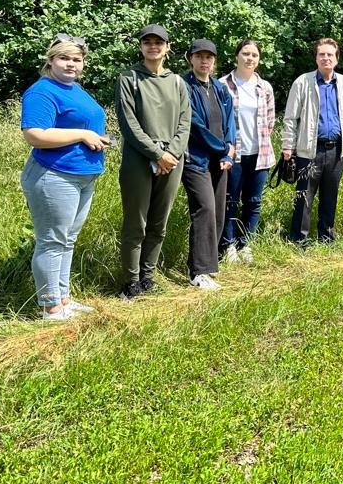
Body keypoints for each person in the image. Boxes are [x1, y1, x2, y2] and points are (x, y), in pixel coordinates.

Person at [20, 34, 109, 320]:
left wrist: (95, 138)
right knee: (52, 241)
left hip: (82, 176)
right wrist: (83, 134)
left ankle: (63, 299)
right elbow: (35, 134)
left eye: (77, 59)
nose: (71, 64)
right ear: (50, 60)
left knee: (67, 240)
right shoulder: (42, 91)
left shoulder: (74, 89)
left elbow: (78, 125)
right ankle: (50, 306)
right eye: (64, 58)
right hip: (54, 176)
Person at [116, 24, 191, 300]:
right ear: (140, 47)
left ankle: (148, 276)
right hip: (139, 160)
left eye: (158, 42)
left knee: (159, 222)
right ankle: (131, 281)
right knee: (137, 222)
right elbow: (129, 123)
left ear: (167, 48)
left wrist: (170, 154)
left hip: (172, 160)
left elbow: (185, 122)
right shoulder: (128, 78)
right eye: (147, 42)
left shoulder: (178, 82)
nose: (152, 46)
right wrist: (156, 154)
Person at [282, 38, 343, 246]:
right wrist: (287, 147)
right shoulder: (303, 82)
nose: (326, 58)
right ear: (316, 58)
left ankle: (326, 237)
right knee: (304, 196)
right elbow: (291, 118)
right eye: (321, 54)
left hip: (336, 150)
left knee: (330, 196)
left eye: (330, 54)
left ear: (336, 58)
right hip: (309, 150)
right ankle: (299, 240)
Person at [181, 40, 236, 291]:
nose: (204, 61)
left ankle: (208, 266)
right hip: (195, 159)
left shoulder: (219, 88)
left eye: (209, 57)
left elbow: (230, 121)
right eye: (199, 56)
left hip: (220, 160)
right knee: (204, 208)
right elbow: (194, 125)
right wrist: (222, 148)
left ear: (214, 61)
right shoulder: (185, 86)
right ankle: (198, 272)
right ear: (190, 59)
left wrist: (230, 149)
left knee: (218, 211)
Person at [220, 40, 276, 262]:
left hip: (260, 154)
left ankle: (246, 245)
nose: (250, 58)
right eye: (245, 54)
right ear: (237, 56)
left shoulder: (265, 87)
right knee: (230, 201)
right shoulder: (223, 85)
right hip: (234, 154)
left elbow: (270, 120)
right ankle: (229, 245)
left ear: (259, 59)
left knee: (253, 201)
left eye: (254, 55)